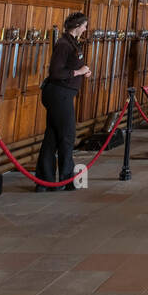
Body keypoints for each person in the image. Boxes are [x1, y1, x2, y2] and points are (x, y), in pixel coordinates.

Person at [37, 12, 92, 191]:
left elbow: (73, 65)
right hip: (59, 94)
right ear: (77, 26)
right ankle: (67, 179)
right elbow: (56, 72)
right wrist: (78, 72)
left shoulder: (72, 43)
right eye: (84, 25)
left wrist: (85, 71)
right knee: (67, 136)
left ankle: (45, 182)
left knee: (52, 137)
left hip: (63, 93)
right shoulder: (62, 44)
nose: (85, 28)